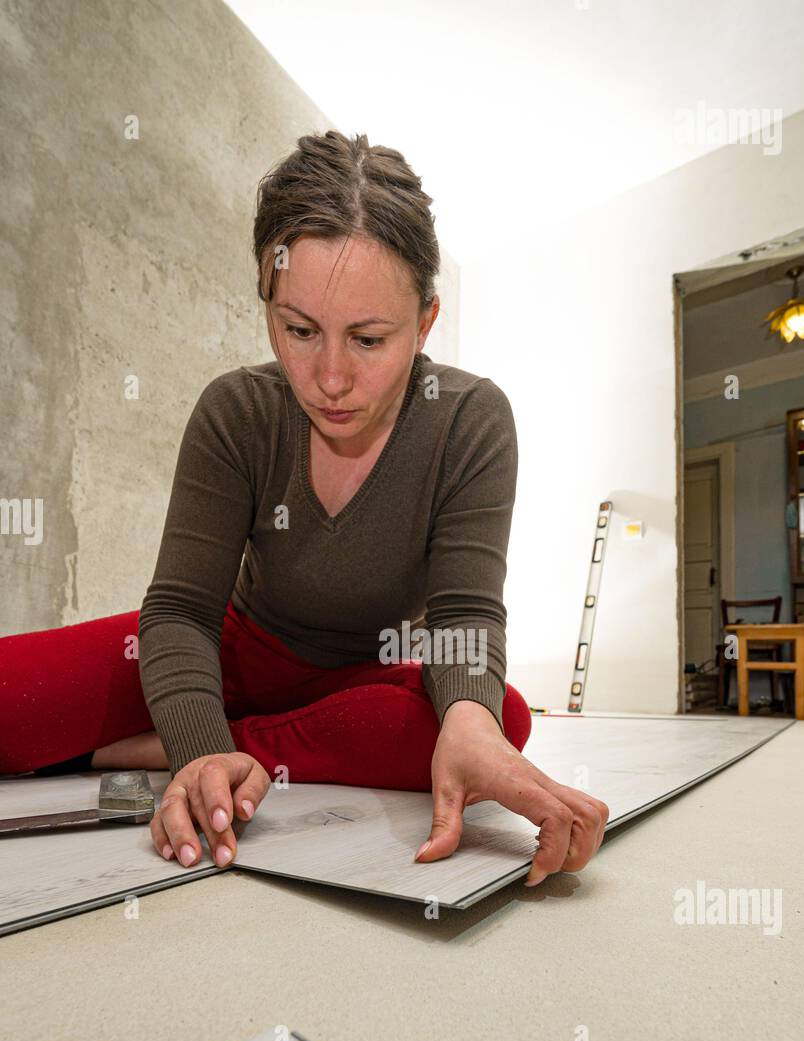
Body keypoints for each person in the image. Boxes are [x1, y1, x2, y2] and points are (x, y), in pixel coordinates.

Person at [0, 130, 608, 886]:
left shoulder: (470, 421)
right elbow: (182, 613)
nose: (328, 377)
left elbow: (462, 620)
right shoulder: (237, 412)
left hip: (367, 672)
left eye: (368, 338)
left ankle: (168, 743)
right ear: (266, 307)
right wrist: (200, 749)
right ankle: (210, 739)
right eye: (299, 331)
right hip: (227, 651)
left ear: (424, 323)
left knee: (495, 720)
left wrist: (471, 723)